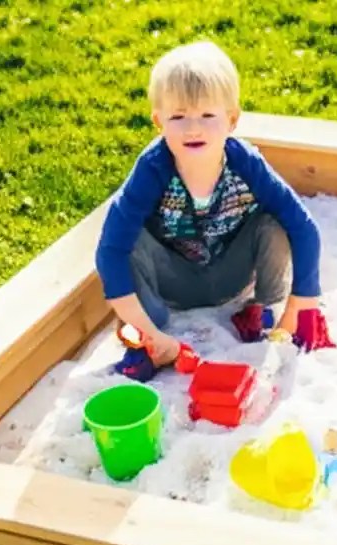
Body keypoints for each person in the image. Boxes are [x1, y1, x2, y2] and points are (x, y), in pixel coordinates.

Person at [94, 40, 323, 367]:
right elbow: (110, 251)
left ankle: (264, 310)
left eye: (207, 115)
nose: (193, 128)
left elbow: (304, 228)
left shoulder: (244, 162)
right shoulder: (153, 168)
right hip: (173, 283)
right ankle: (149, 337)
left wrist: (300, 304)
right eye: (178, 117)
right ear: (159, 122)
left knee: (273, 221)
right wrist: (147, 330)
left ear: (231, 120)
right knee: (127, 239)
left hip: (233, 276)